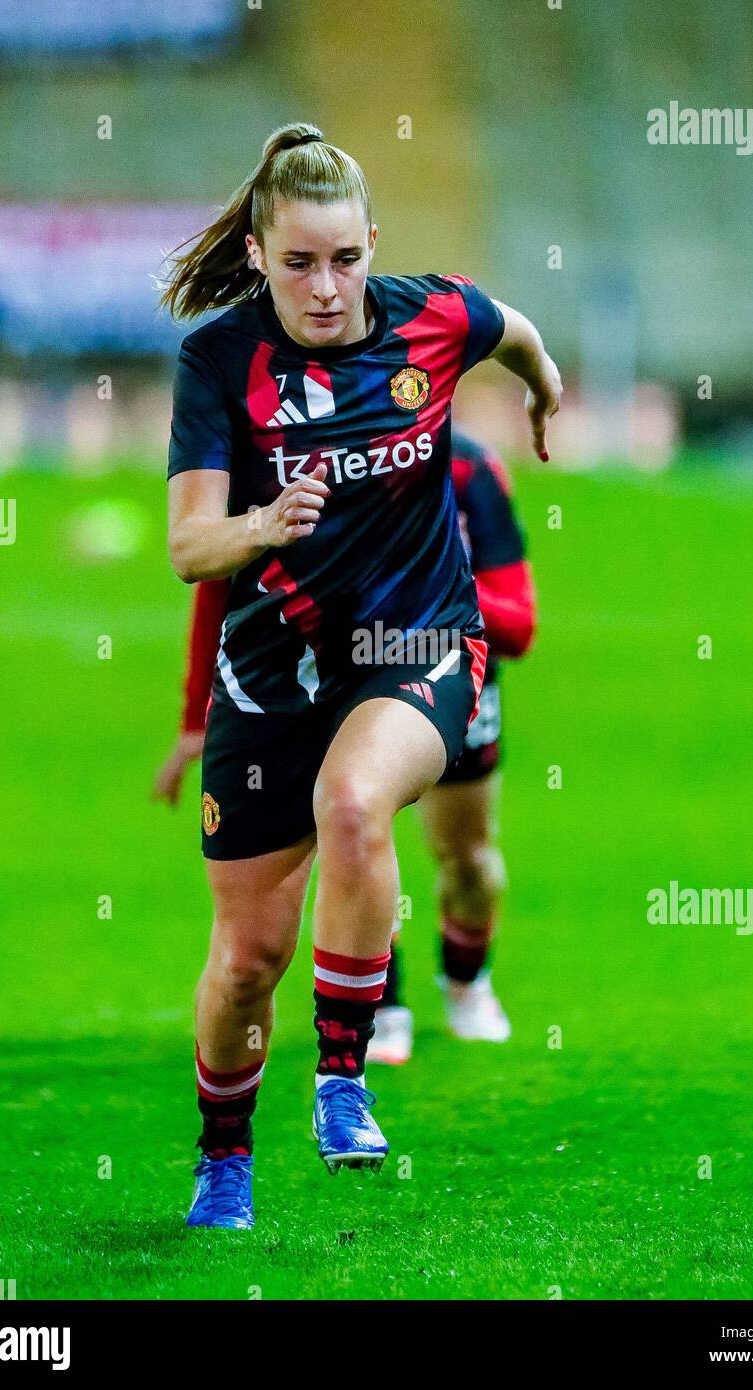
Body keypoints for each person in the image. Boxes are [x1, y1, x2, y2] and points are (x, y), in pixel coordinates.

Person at [160, 121, 561, 1230]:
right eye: (299, 262)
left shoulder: (434, 314)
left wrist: (543, 383)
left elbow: (511, 327)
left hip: (419, 643)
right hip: (272, 676)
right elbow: (188, 547)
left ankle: (343, 1081)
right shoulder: (219, 362)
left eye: (346, 258)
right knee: (247, 960)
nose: (327, 287)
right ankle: (224, 1158)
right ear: (257, 252)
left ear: (372, 244)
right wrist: (259, 524)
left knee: (355, 801)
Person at [154, 428, 537, 1064]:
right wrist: (198, 716)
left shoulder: (470, 469)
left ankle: (468, 983)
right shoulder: (295, 466)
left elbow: (520, 625)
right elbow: (220, 583)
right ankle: (381, 1005)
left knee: (467, 860)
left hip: (450, 670)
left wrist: (428, 592)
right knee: (353, 825)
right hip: (342, 678)